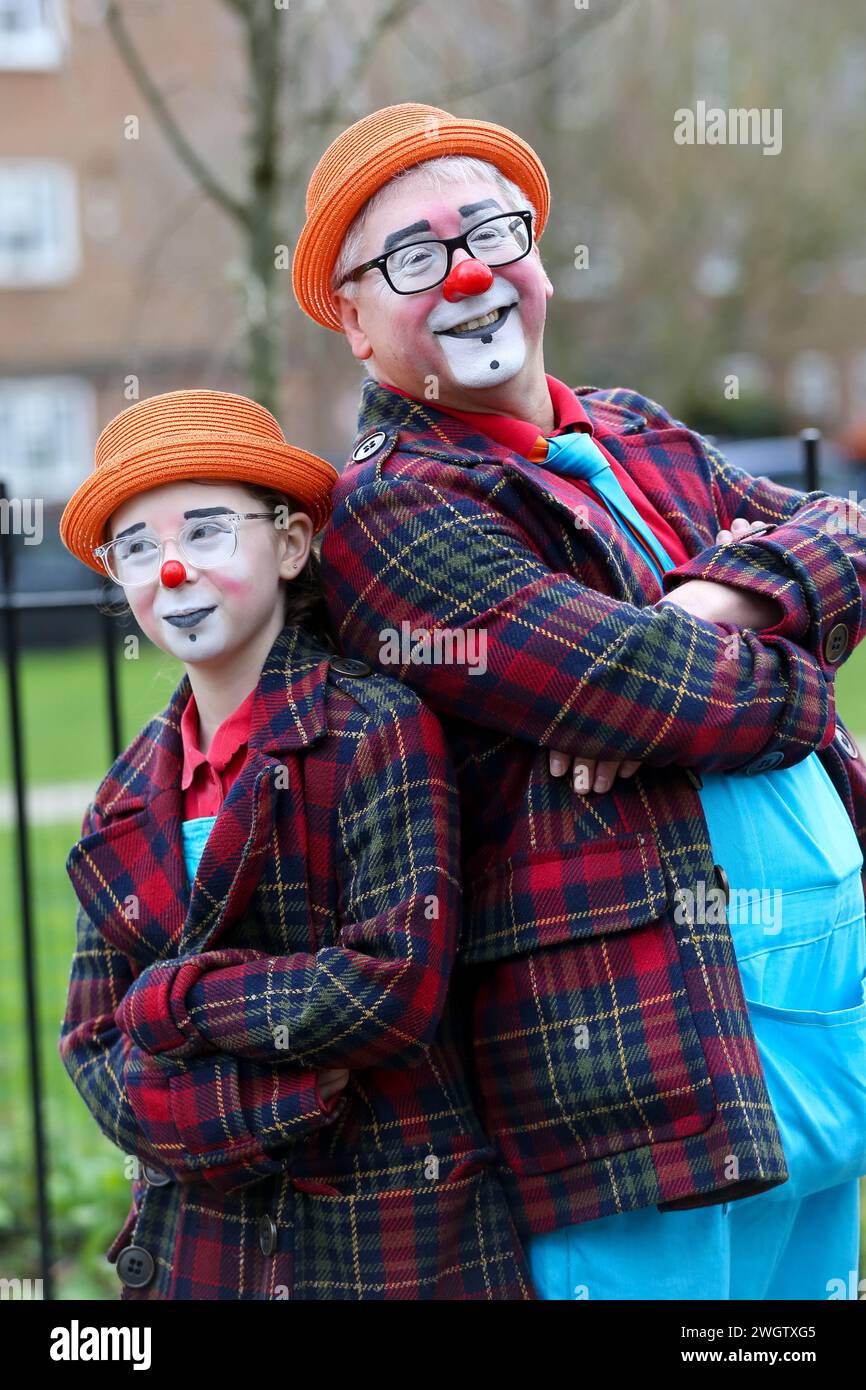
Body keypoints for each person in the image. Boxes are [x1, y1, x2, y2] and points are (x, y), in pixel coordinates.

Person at [292, 102, 866, 1300]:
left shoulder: (637, 428)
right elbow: (630, 689)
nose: (466, 273)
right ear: (350, 318)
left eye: (492, 231)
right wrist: (770, 643)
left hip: (824, 1008)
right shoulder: (391, 509)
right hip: (643, 1052)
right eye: (411, 255)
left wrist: (712, 607)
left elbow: (846, 533)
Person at [57, 388, 533, 1300]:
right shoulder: (124, 795)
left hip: (391, 1237)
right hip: (203, 1246)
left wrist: (181, 1003)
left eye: (204, 532)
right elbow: (92, 1043)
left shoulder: (373, 730)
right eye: (138, 547)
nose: (171, 571)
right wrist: (283, 1100)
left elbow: (392, 987)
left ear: (287, 544)